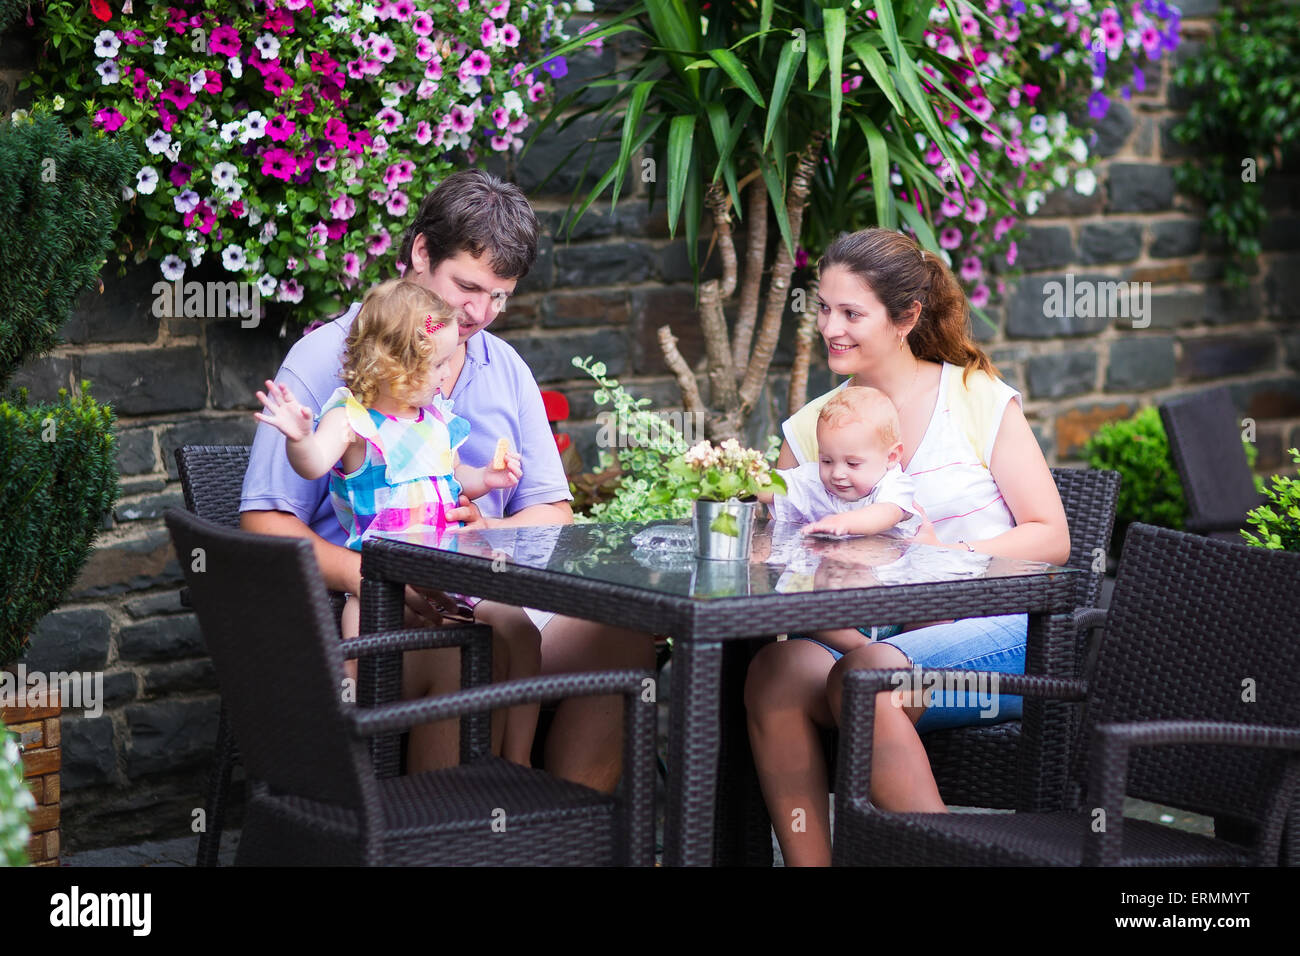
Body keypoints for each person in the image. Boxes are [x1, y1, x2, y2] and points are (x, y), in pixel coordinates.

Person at [240, 169, 655, 780]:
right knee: (472, 652)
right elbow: (262, 524)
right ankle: (453, 836)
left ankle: (563, 833)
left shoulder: (504, 367)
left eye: (500, 296)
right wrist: (385, 576)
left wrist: (487, 534)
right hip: (364, 611)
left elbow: (553, 512)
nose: (481, 313)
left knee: (621, 638)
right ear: (420, 253)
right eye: (468, 286)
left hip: (479, 596)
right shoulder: (332, 357)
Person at [745, 227, 1070, 866]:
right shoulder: (818, 423)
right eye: (825, 309)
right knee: (775, 674)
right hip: (875, 639)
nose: (830, 327)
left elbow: (1051, 538)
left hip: (995, 638)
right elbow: (781, 548)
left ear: (906, 318)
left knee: (871, 677)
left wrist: (939, 549)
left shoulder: (975, 397)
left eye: (851, 313)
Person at [252, 279, 538, 766]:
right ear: (394, 364)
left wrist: (486, 479)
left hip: (450, 572)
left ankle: (517, 760)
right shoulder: (352, 421)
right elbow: (315, 463)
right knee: (362, 634)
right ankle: (350, 740)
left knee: (519, 631)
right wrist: (299, 437)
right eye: (439, 363)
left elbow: (449, 478)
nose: (449, 372)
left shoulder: (434, 419)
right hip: (384, 579)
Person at [758, 384, 924, 654]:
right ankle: (863, 649)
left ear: (891, 457)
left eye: (853, 463)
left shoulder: (893, 484)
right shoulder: (814, 481)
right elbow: (775, 485)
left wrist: (843, 523)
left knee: (929, 604)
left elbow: (887, 512)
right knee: (795, 604)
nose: (837, 473)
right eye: (827, 460)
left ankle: (882, 651)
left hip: (886, 609)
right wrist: (739, 482)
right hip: (826, 610)